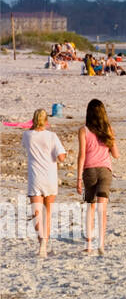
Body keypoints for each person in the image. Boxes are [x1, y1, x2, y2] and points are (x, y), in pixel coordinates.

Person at [76, 99, 119, 255]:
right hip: (105, 172)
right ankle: (101, 244)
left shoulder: (83, 130)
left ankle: (89, 245)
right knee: (102, 208)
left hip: (89, 171)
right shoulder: (108, 129)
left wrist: (78, 179)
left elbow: (81, 155)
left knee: (90, 207)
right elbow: (116, 154)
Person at [24, 109, 69, 257]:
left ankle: (41, 244)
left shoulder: (27, 135)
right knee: (47, 213)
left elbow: (26, 147)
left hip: (35, 177)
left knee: (37, 213)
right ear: (46, 121)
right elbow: (61, 157)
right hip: (50, 178)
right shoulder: (52, 136)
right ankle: (45, 242)